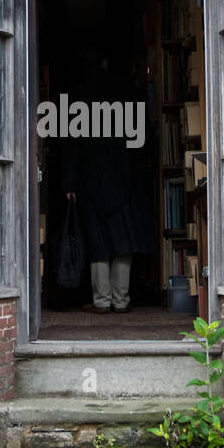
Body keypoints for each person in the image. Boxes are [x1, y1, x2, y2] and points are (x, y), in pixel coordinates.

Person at [61, 52, 154, 314]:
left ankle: (101, 300)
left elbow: (72, 143)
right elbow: (144, 135)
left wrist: (69, 183)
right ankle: (121, 299)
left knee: (97, 239)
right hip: (126, 175)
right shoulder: (129, 90)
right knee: (123, 239)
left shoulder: (79, 93)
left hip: (91, 177)